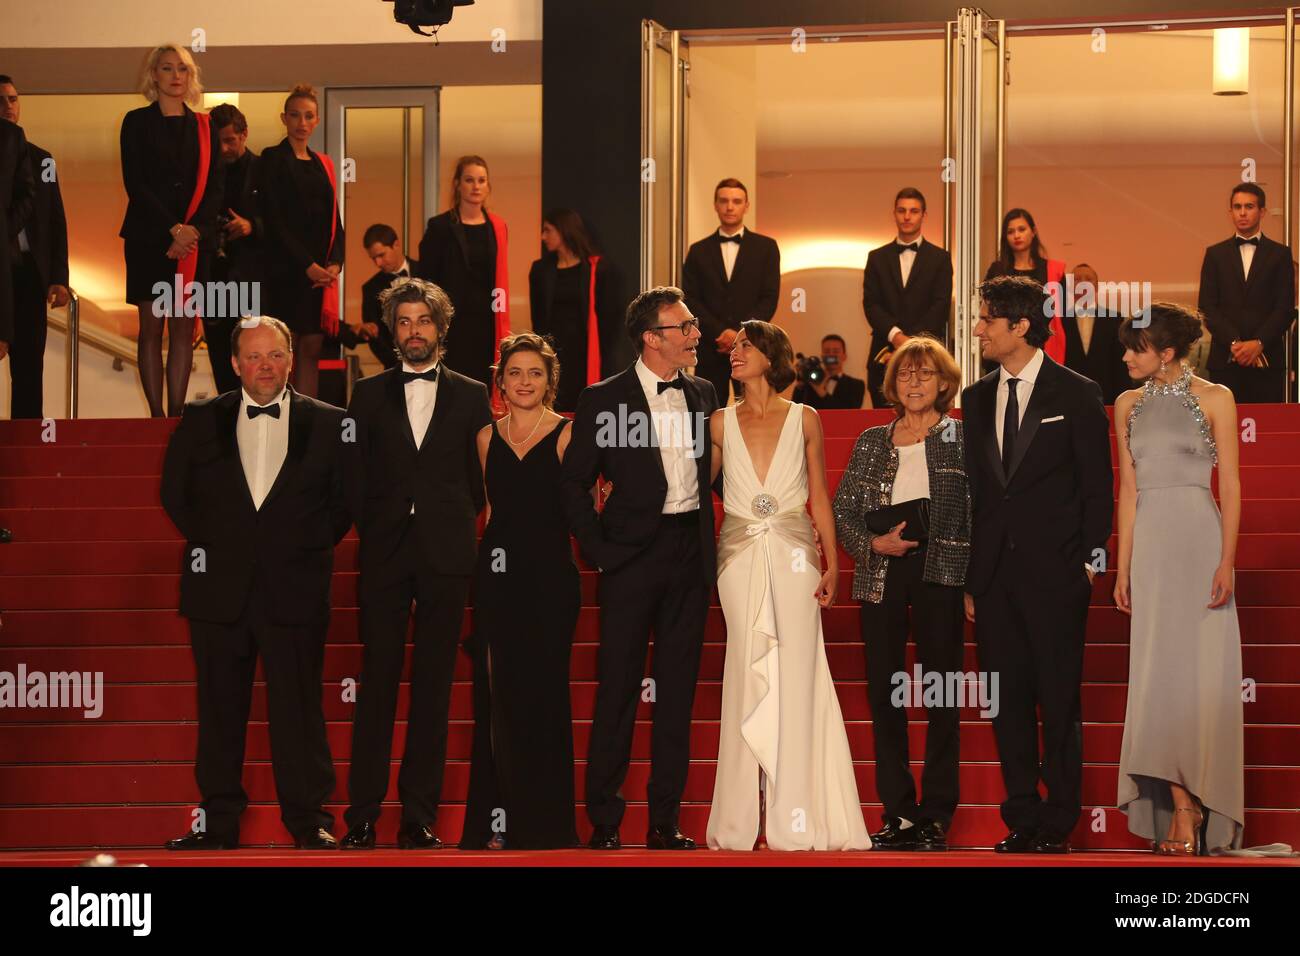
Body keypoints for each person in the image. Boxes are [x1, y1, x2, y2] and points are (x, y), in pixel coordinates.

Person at [159, 315, 348, 850]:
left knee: (300, 709)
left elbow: (342, 505)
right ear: (236, 363)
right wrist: (224, 546)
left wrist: (298, 548)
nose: (265, 366)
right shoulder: (200, 419)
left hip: (296, 587)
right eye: (254, 357)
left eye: (275, 355)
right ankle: (217, 824)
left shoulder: (332, 422)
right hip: (218, 589)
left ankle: (308, 820)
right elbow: (176, 494)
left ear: (290, 359)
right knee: (219, 709)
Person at [561, 285, 720, 850]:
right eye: (685, 327)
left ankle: (664, 821)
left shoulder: (702, 392)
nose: (696, 334)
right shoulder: (603, 398)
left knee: (677, 694)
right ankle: (604, 820)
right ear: (652, 339)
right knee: (619, 689)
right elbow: (573, 481)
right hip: (630, 558)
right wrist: (600, 552)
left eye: (694, 325)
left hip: (689, 555)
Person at [339, 278, 493, 850]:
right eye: (402, 322)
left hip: (447, 556)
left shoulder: (474, 394)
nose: (413, 332)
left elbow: (480, 481)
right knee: (377, 683)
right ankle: (360, 816)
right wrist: (378, 524)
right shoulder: (367, 394)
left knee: (433, 687)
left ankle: (418, 818)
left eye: (422, 321)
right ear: (391, 331)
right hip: (384, 552)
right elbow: (352, 475)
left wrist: (450, 522)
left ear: (439, 328)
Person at [705, 320, 870, 851]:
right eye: (735, 348)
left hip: (797, 554)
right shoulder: (716, 423)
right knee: (743, 676)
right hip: (736, 557)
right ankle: (735, 823)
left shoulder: (806, 418)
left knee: (799, 675)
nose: (736, 353)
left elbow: (819, 493)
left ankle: (796, 820)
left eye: (747, 347)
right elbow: (687, 487)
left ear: (771, 358)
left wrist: (832, 562)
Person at [962, 275, 1113, 853]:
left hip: (1059, 575)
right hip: (995, 578)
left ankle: (1060, 820)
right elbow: (978, 493)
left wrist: (1090, 568)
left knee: (1059, 701)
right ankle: (1022, 816)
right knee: (1008, 701)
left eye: (986, 320)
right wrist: (973, 581)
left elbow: (1098, 490)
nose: (978, 329)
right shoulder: (975, 399)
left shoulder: (1077, 392)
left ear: (1020, 326)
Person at [1113, 303, 1244, 854]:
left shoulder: (1216, 398)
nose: (1123, 357)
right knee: (1157, 679)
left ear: (1165, 351)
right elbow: (1128, 489)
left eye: (1134, 347)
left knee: (1200, 677)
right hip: (1152, 551)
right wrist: (1122, 566)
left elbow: (1231, 486)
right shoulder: (1125, 405)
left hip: (1199, 542)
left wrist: (1227, 560)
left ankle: (1191, 809)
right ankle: (1179, 806)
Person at [833, 335, 970, 851]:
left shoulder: (962, 438)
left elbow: (978, 513)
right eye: (906, 375)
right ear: (893, 383)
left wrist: (972, 583)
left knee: (941, 697)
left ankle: (935, 814)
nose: (915, 383)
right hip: (880, 575)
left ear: (943, 383)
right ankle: (899, 812)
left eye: (925, 374)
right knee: (886, 697)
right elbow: (843, 509)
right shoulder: (871, 439)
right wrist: (872, 542)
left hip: (941, 576)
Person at [459, 332, 581, 850]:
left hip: (551, 578)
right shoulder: (485, 439)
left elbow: (581, 509)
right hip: (497, 578)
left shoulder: (568, 435)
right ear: (500, 382)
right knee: (496, 698)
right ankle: (496, 821)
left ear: (550, 380)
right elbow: (484, 511)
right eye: (515, 373)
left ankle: (545, 825)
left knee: (543, 696)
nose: (524, 381)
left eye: (534, 372)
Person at [118, 44, 223, 417]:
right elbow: (136, 183)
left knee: (182, 331)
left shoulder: (205, 126)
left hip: (192, 243)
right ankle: (156, 416)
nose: (176, 76)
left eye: (183, 68)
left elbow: (214, 187)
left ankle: (176, 416)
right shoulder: (135, 121)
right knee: (151, 329)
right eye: (167, 68)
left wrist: (191, 232)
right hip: (150, 239)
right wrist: (173, 229)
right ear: (154, 76)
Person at [259, 84, 343, 400]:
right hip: (285, 271)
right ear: (284, 118)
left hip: (319, 274)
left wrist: (335, 262)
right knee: (283, 347)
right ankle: (278, 411)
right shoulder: (272, 158)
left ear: (317, 120)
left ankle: (306, 415)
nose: (301, 123)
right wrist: (306, 265)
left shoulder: (324, 164)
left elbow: (336, 220)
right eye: (295, 115)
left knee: (311, 347)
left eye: (308, 116)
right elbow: (274, 220)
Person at [682, 178, 780, 404]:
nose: (729, 207)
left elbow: (769, 298)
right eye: (724, 201)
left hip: (752, 346)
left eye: (736, 201)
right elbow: (690, 299)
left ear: (746, 205)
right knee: (706, 414)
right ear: (715, 205)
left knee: (754, 409)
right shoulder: (698, 251)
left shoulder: (766, 248)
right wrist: (720, 332)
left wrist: (738, 334)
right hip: (709, 346)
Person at [1197, 182, 1294, 404]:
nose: (1242, 212)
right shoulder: (1215, 254)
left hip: (1267, 360)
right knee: (1222, 430)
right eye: (1237, 206)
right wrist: (1235, 344)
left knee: (1267, 431)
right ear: (1230, 211)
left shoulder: (1280, 254)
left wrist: (1258, 343)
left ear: (1262, 211)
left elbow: (1285, 308)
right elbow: (1207, 306)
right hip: (1225, 361)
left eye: (1249, 206)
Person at [416, 154, 508, 389]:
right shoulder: (440, 226)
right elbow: (426, 277)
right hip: (450, 320)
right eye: (469, 180)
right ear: (457, 184)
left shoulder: (497, 226)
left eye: (481, 180)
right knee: (451, 383)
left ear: (488, 186)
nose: (476, 186)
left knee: (482, 382)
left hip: (486, 321)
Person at [861, 187, 953, 409]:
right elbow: (871, 304)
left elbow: (940, 306)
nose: (907, 216)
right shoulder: (876, 258)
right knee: (883, 418)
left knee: (928, 415)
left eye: (913, 211)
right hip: (884, 350)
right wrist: (896, 336)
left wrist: (913, 341)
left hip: (929, 352)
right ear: (894, 213)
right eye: (902, 210)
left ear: (924, 215)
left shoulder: (940, 258)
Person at [528, 208, 622, 411]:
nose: (543, 237)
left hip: (586, 353)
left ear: (564, 231)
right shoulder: (540, 270)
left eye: (548, 230)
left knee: (586, 407)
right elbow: (538, 318)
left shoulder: (599, 269)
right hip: (552, 354)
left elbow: (611, 318)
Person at [205, 102, 263, 396]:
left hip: (254, 278)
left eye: (230, 140)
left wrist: (252, 226)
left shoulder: (264, 170)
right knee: (219, 354)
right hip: (215, 277)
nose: (224, 149)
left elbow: (282, 223)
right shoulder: (205, 174)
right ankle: (227, 421)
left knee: (256, 353)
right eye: (219, 142)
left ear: (244, 135)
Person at [0, 77, 47, 415]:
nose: (8, 107)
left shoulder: (43, 158)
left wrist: (59, 273)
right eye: (1, 100)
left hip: (25, 267)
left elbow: (52, 218)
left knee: (28, 360)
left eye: (14, 99)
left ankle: (28, 437)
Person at [984, 208, 1066, 367]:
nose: (1016, 235)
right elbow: (988, 311)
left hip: (1043, 346)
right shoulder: (997, 270)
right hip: (1004, 345)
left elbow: (1062, 317)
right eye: (1010, 231)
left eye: (1022, 229)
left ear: (1033, 231)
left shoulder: (1052, 270)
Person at [341, 223, 409, 371]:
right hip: (394, 367)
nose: (378, 263)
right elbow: (374, 336)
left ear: (396, 245)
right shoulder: (371, 288)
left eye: (381, 255)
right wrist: (397, 365)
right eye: (373, 258)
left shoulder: (427, 270)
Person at [1061, 262, 1129, 405]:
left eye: (1088, 279)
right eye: (1077, 279)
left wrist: (1122, 400)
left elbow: (1120, 364)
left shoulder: (1114, 319)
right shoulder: (1058, 320)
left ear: (1097, 286)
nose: (1083, 283)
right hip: (1067, 396)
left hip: (1106, 396)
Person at [792, 334, 866, 409]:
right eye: (827, 351)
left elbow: (849, 414)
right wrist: (801, 379)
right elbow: (796, 409)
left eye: (836, 351)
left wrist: (821, 391)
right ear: (822, 355)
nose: (831, 355)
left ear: (844, 356)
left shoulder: (856, 385)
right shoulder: (811, 382)